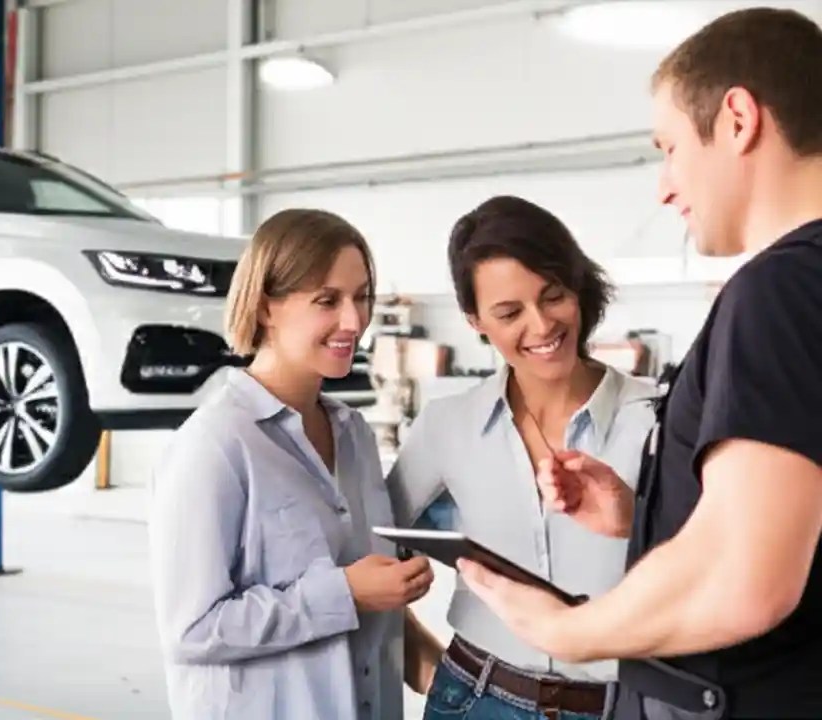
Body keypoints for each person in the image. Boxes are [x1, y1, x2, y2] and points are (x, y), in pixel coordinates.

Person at [455, 7, 822, 719]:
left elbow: (748, 579)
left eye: (671, 147)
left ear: (738, 119)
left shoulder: (778, 290)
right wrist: (645, 514)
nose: (664, 186)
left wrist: (567, 630)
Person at [147, 208, 443, 719]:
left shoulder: (354, 437)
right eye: (327, 301)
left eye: (362, 297)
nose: (353, 322)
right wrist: (345, 592)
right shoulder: (215, 445)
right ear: (266, 308)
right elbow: (192, 630)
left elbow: (373, 611)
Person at [387, 195, 657, 720]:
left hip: (620, 704)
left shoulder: (657, 419)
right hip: (475, 695)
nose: (541, 326)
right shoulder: (448, 425)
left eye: (553, 296)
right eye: (509, 313)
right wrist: (428, 669)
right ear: (474, 321)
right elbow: (370, 551)